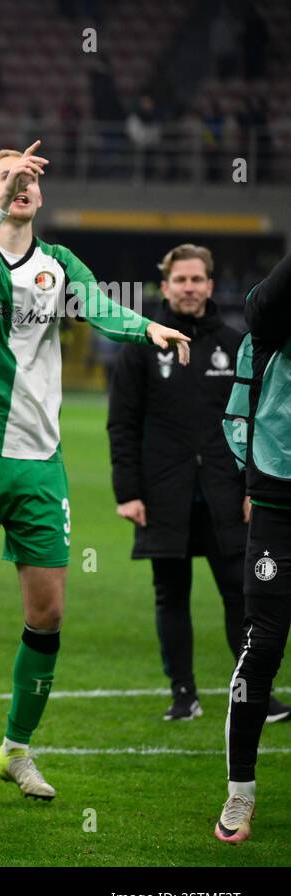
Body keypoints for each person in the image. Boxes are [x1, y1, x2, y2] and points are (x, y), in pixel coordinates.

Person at [0, 142, 192, 806]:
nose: (24, 186)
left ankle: (15, 750)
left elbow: (98, 306)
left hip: (40, 462)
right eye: (9, 177)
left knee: (50, 611)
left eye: (32, 177)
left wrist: (146, 326)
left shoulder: (59, 263)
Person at [108, 244, 288, 722]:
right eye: (180, 280)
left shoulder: (237, 343)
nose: (189, 288)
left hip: (227, 493)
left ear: (210, 285)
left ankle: (256, 693)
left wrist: (255, 485)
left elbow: (258, 420)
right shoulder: (141, 347)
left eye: (197, 280)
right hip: (163, 493)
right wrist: (127, 492)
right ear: (164, 287)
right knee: (171, 594)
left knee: (240, 593)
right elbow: (122, 424)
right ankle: (183, 695)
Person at [214, 250, 291, 843]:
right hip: (277, 506)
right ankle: (240, 793)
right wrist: (252, 480)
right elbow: (236, 417)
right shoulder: (266, 328)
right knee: (262, 645)